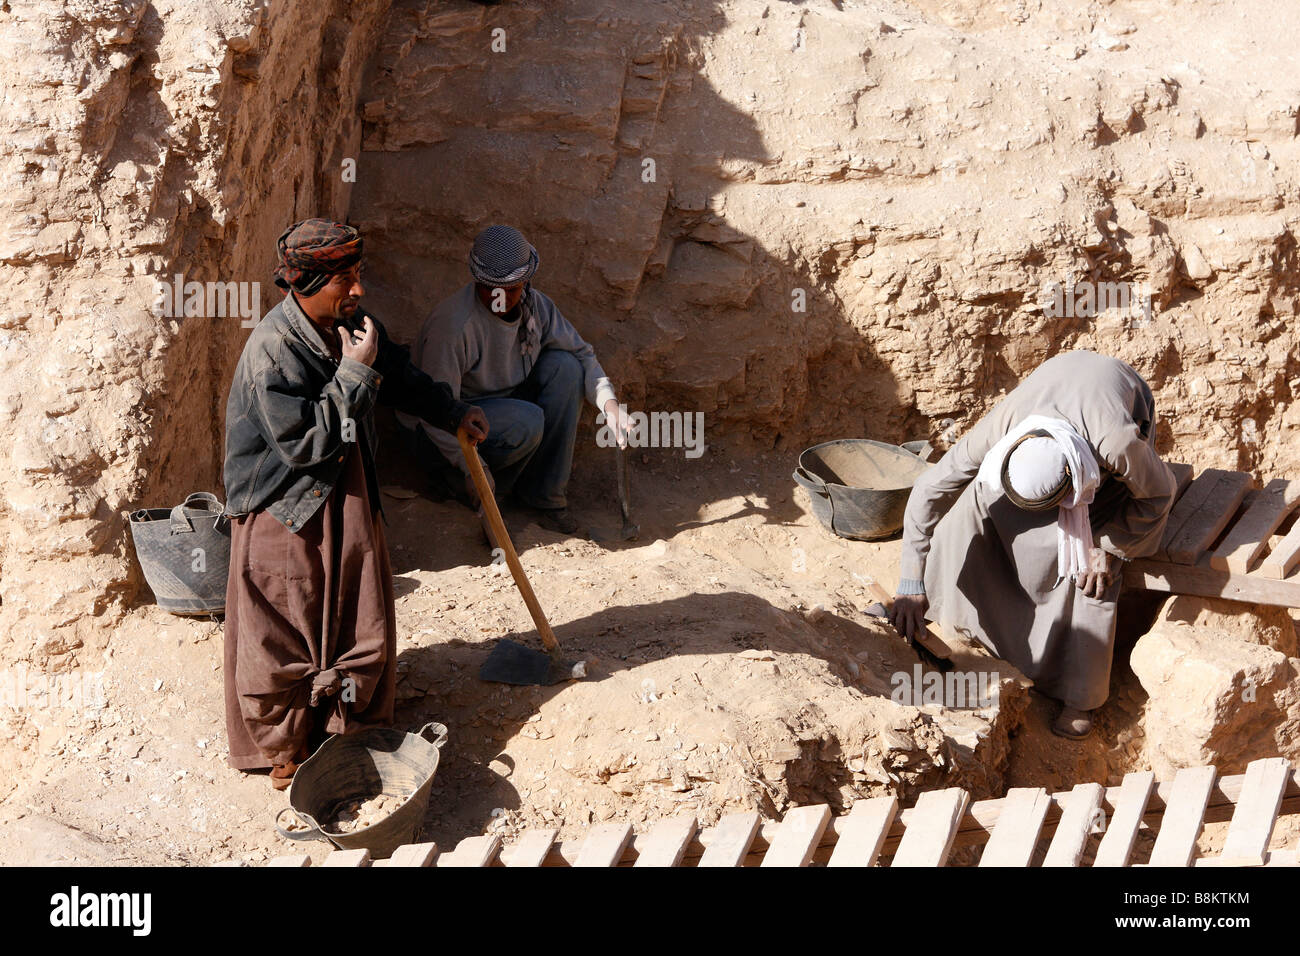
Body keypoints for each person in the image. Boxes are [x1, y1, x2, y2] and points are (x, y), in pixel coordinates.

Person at [222, 218, 489, 788]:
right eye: (345, 279)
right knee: (285, 635)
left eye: (358, 275)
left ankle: (348, 726)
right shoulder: (273, 349)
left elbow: (396, 372)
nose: (358, 290)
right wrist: (351, 374)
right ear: (307, 282)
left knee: (354, 617)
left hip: (344, 492)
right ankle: (285, 746)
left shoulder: (354, 325)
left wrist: (450, 411)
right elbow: (302, 444)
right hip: (284, 510)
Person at [889, 351, 1176, 740]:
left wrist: (1110, 547)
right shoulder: (1004, 426)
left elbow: (1159, 495)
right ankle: (962, 622)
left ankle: (1080, 696)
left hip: (1115, 403)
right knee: (968, 510)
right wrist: (910, 583)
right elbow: (929, 490)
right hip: (1056, 392)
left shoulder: (1118, 444)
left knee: (1089, 569)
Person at [400, 224, 626, 538]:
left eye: (511, 290)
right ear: (477, 280)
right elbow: (435, 411)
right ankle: (469, 486)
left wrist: (610, 406)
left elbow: (583, 355)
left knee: (566, 367)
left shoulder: (538, 307)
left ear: (525, 282)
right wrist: (472, 471)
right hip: (442, 426)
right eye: (492, 289)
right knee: (527, 420)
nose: (500, 299)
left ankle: (543, 498)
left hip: (501, 406)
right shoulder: (454, 327)